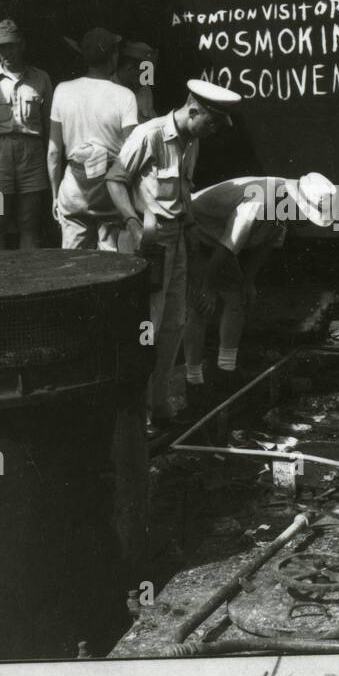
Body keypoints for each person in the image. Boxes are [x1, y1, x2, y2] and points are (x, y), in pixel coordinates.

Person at [107, 78, 241, 427]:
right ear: (193, 110)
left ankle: (160, 402)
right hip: (148, 244)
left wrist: (193, 238)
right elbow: (115, 179)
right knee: (147, 325)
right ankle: (138, 413)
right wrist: (134, 223)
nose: (214, 130)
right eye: (211, 122)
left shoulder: (192, 142)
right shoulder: (150, 135)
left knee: (173, 324)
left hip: (179, 239)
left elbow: (183, 197)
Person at [184, 172, 337, 409]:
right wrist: (206, 286)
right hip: (193, 233)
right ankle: (192, 379)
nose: (305, 222)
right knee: (201, 306)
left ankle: (226, 370)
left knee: (238, 299)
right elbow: (228, 247)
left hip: (217, 242)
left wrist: (248, 281)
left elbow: (265, 245)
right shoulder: (258, 202)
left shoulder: (282, 206)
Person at [48, 27, 138, 250]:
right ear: (113, 57)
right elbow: (133, 153)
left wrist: (54, 195)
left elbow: (53, 151)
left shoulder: (62, 90)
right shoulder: (125, 96)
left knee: (72, 264)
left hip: (73, 189)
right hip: (110, 191)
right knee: (111, 262)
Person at [0, 19, 54, 250]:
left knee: (30, 224)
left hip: (32, 160)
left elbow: (49, 126)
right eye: (0, 47)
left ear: (22, 44)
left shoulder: (41, 79)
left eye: (11, 45)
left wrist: (52, 166)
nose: (6, 52)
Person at [117, 40, 157, 123]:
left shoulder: (145, 89)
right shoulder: (110, 88)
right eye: (146, 72)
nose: (147, 79)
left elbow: (152, 120)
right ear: (130, 67)